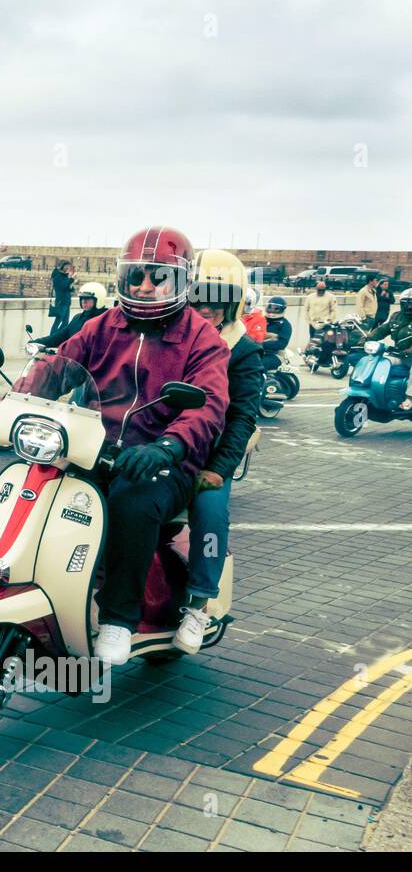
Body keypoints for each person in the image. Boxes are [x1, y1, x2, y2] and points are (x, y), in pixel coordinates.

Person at [56, 226, 230, 666]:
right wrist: (12, 401)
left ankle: (118, 618)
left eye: (158, 277)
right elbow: (59, 366)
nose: (145, 286)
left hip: (166, 460)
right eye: (137, 277)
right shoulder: (103, 327)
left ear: (181, 282)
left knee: (132, 501)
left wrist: (169, 445)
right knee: (47, 482)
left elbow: (208, 405)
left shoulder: (200, 337)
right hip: (97, 446)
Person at [182, 249, 262, 653]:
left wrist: (218, 469)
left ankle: (199, 602)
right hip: (163, 448)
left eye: (217, 298)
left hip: (210, 455)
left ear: (234, 301)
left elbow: (243, 416)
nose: (206, 307)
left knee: (210, 514)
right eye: (198, 296)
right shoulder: (171, 335)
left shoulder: (243, 350)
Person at [365, 290, 412, 411]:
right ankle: (375, 392)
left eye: (411, 304)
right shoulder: (396, 317)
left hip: (410, 357)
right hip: (399, 355)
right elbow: (382, 330)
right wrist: (366, 339)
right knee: (379, 361)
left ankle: (410, 398)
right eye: (405, 303)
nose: (408, 306)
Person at [33, 280, 110, 348]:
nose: (84, 302)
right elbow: (61, 336)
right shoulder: (78, 318)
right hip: (74, 361)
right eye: (82, 299)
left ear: (98, 300)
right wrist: (38, 342)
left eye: (87, 299)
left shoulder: (105, 320)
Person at [306, 278, 341, 366]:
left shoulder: (330, 297)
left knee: (326, 341)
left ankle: (324, 358)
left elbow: (334, 310)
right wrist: (309, 321)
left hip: (325, 323)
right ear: (316, 289)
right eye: (319, 290)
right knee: (313, 340)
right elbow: (306, 310)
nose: (321, 291)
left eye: (323, 290)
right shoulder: (310, 297)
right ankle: (309, 356)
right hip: (314, 323)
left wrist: (330, 320)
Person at [260, 296, 293, 371]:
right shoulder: (261, 320)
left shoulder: (285, 325)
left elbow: (281, 343)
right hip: (257, 351)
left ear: (282, 309)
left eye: (276, 308)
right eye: (270, 307)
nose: (272, 310)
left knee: (260, 364)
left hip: (275, 354)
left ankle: (258, 382)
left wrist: (260, 344)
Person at [49, 260, 75, 335]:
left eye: (69, 267)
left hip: (67, 302)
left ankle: (58, 336)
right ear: (62, 266)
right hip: (61, 302)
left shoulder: (65, 276)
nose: (68, 268)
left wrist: (71, 287)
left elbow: (67, 288)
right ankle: (52, 336)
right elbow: (62, 287)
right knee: (58, 321)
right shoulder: (57, 276)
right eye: (67, 266)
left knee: (65, 322)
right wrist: (71, 279)